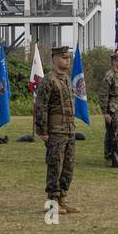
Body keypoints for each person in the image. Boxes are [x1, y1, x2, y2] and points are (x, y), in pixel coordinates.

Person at [34, 45, 78, 213]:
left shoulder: (66, 79)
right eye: (64, 58)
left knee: (68, 166)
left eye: (68, 58)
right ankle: (52, 201)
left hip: (69, 129)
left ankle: (62, 199)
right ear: (55, 59)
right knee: (55, 165)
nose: (67, 60)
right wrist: (43, 131)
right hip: (55, 130)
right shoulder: (48, 80)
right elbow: (41, 107)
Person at [98, 52, 118, 166]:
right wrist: (105, 112)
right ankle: (109, 157)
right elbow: (103, 95)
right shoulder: (109, 76)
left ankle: (117, 155)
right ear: (114, 62)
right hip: (113, 108)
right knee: (111, 133)